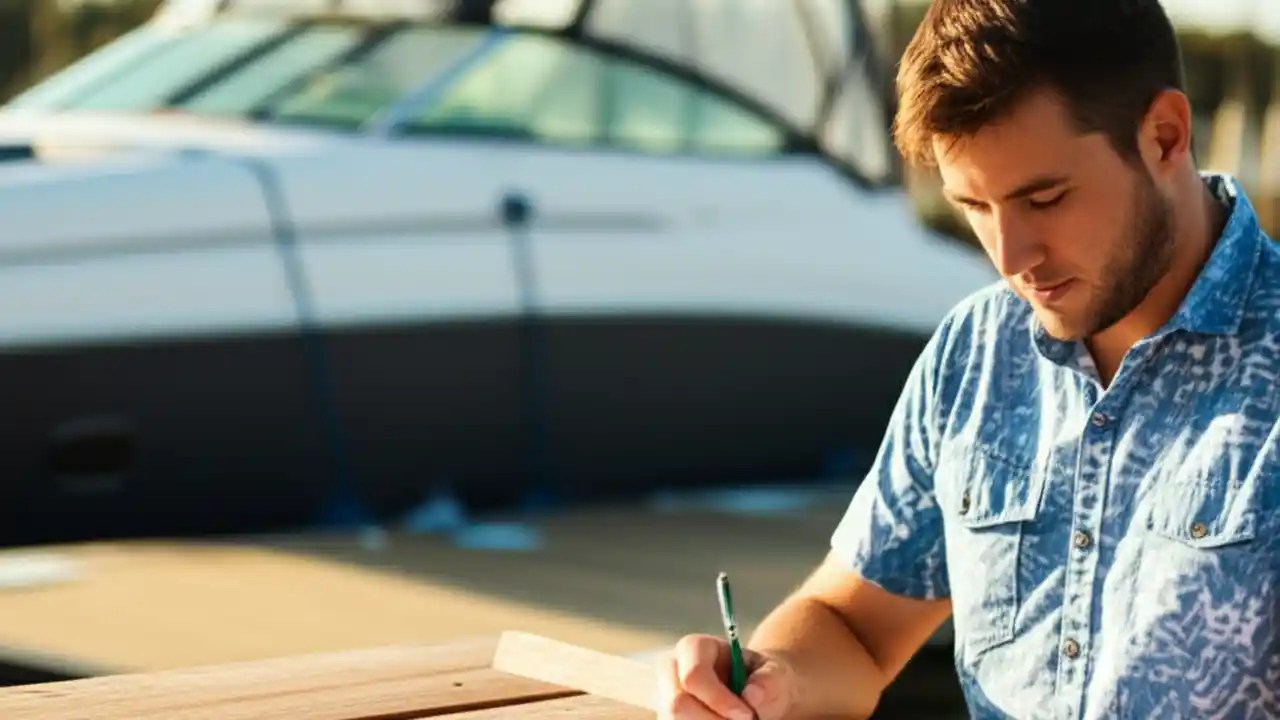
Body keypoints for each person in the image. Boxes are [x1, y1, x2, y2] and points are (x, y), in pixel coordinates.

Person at [655, 0, 1280, 717]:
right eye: (973, 208)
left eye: (1043, 197)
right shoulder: (976, 351)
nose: (1011, 259)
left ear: (1165, 136)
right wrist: (773, 679)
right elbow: (853, 626)